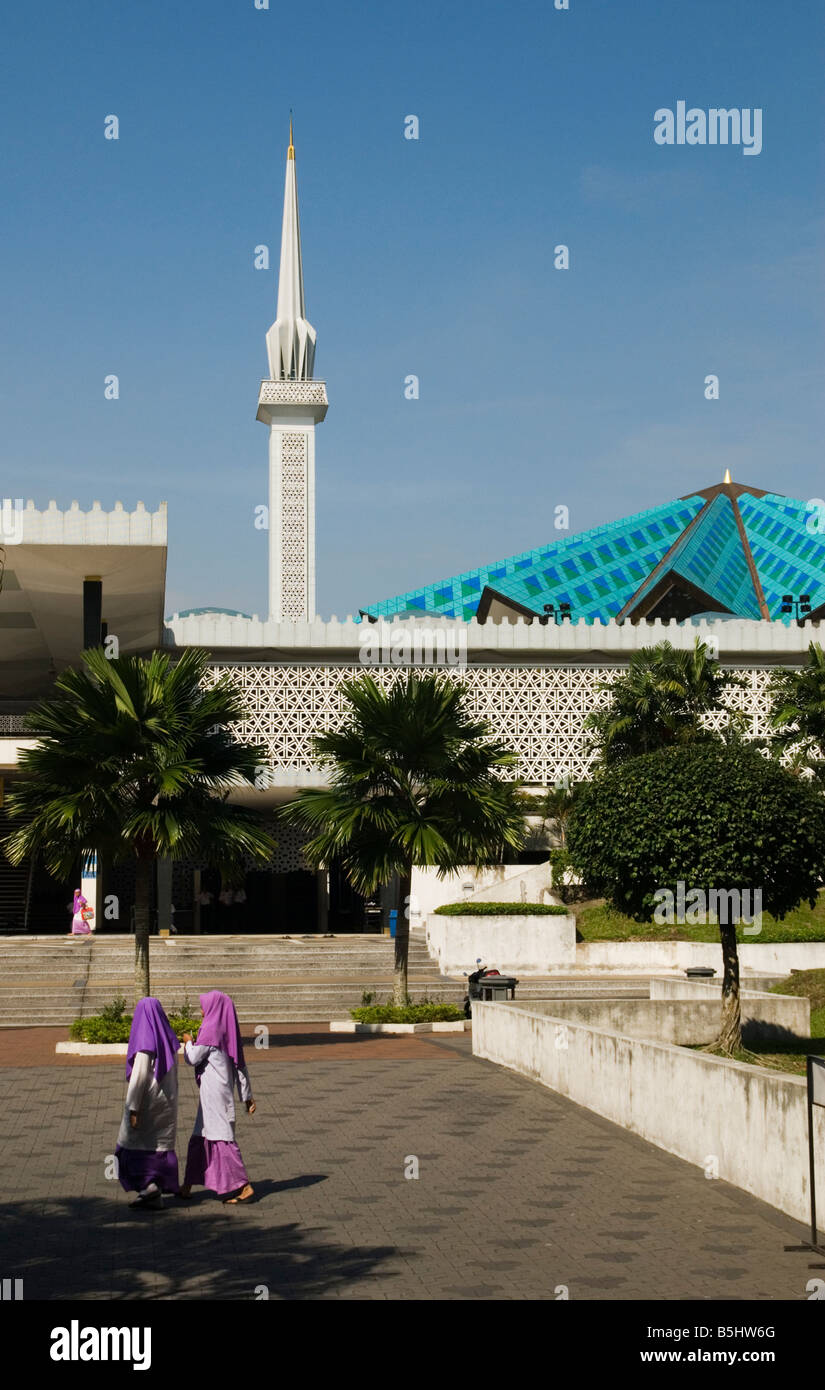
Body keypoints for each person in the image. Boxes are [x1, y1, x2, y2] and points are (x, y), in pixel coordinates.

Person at [179, 990, 256, 1204]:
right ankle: (187, 1185)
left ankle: (245, 1186)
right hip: (216, 1093)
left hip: (214, 1095)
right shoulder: (226, 1031)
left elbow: (193, 1058)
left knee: (222, 1138)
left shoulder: (210, 1030)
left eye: (204, 1006)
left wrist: (187, 1042)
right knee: (200, 1136)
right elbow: (240, 1065)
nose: (202, 1011)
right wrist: (247, 1095)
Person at [115, 997, 180, 1208]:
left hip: (147, 1101)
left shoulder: (145, 1042)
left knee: (132, 1144)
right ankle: (154, 1191)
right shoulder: (167, 1039)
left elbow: (140, 1076)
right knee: (158, 1145)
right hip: (166, 1102)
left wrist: (134, 1107)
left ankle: (148, 1187)